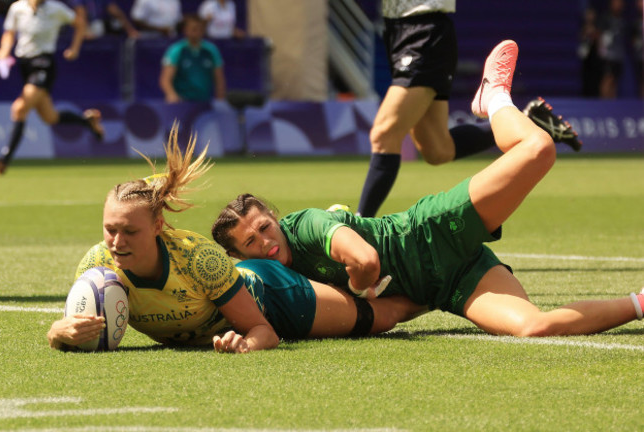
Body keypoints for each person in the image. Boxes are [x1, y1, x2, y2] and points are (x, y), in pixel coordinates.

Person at [213, 40, 644, 338]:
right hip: (449, 283)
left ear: (274, 217)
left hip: (434, 230)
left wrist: (361, 284)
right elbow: (386, 316)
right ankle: (640, 301)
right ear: (241, 256)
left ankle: (494, 97)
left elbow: (364, 260)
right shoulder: (280, 282)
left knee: (539, 149)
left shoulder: (304, 226)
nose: (266, 242)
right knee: (534, 326)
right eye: (251, 241)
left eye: (265, 227)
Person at [46, 126, 423, 354]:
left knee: (381, 318)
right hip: (244, 297)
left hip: (271, 294)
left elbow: (265, 332)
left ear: (158, 225)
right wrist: (57, 332)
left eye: (130, 231)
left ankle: (437, 288)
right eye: (109, 228)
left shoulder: (199, 259)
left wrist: (246, 344)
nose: (116, 241)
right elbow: (69, 332)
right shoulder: (96, 267)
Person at [357, 0, 582, 218]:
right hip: (397, 31)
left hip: (424, 31)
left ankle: (359, 223)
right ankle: (528, 123)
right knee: (437, 150)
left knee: (384, 133)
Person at [0, 0, 104, 175]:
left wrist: (75, 48)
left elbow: (80, 23)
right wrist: (4, 50)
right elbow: (9, 32)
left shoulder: (56, 8)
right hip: (25, 64)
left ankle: (3, 160)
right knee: (49, 117)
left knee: (20, 108)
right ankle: (87, 121)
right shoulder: (17, 8)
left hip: (44, 63)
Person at [159, 14, 226, 104]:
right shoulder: (176, 50)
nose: (198, 32)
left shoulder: (211, 50)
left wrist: (220, 101)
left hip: (205, 103)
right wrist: (171, 95)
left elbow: (219, 80)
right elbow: (165, 80)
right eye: (194, 29)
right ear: (185, 30)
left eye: (201, 29)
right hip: (182, 103)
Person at [64, 0, 139, 39]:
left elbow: (115, 11)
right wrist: (86, 31)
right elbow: (80, 13)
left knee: (113, 25)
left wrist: (130, 30)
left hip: (96, 31)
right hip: (75, 35)